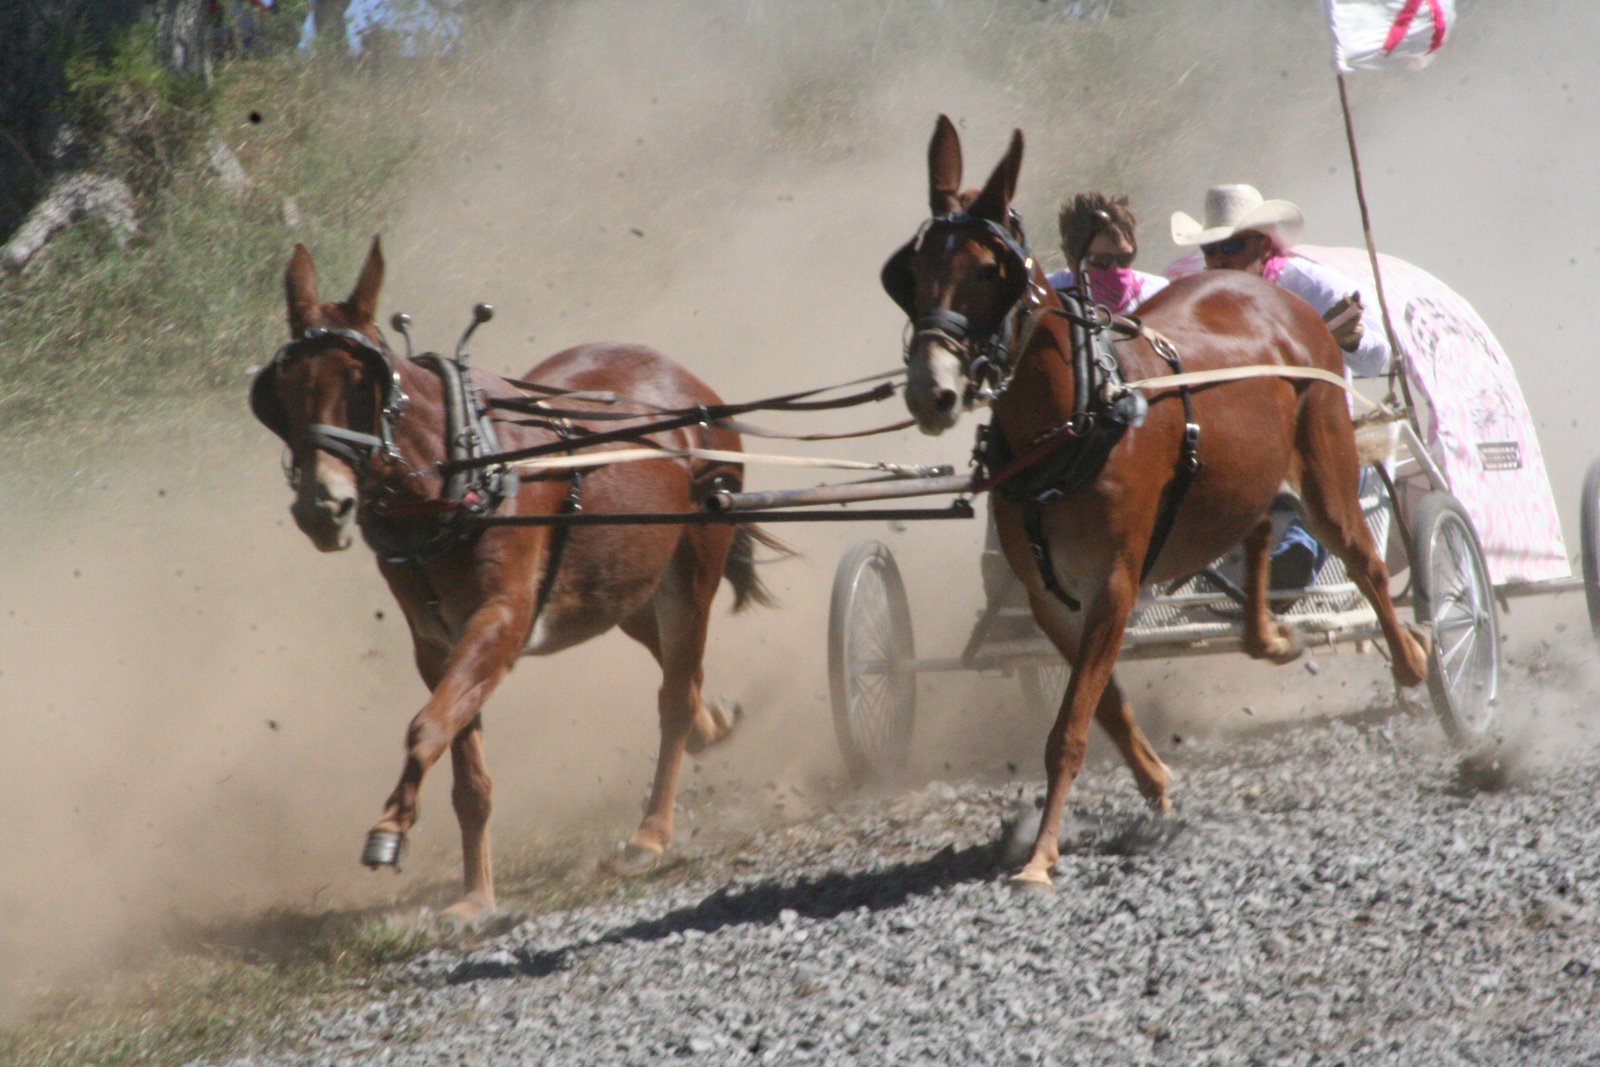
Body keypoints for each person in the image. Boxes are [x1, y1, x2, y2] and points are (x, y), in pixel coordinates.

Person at [1170, 183, 1392, 601]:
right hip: (1232, 436)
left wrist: (1353, 338)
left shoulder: (1309, 284)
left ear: (1262, 244)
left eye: (1231, 247)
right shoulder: (1192, 293)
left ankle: (1293, 558)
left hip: (1317, 432)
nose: (1219, 260)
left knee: (1307, 468)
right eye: (1210, 251)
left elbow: (1379, 358)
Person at [1046, 192, 1169, 316]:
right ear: (1071, 260)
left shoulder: (1162, 295)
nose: (1116, 269)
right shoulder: (1047, 295)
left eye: (1125, 258)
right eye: (1102, 260)